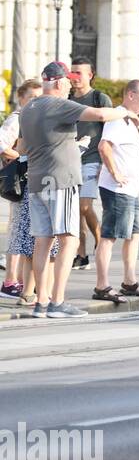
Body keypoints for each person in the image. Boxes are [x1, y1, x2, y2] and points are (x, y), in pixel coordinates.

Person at [18, 61, 137, 317]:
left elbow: (27, 147)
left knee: (42, 241)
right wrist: (125, 111)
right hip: (61, 180)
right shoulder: (58, 104)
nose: (69, 87)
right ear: (59, 83)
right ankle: (57, 302)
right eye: (68, 83)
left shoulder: (29, 108)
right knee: (68, 240)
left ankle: (41, 301)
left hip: (37, 181)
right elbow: (102, 115)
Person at [93, 80, 139, 303]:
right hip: (117, 189)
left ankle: (129, 281)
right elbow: (103, 146)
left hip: (130, 190)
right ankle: (102, 286)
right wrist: (115, 173)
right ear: (130, 95)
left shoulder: (128, 120)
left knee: (134, 234)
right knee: (109, 237)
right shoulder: (118, 118)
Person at [2, 79, 44, 301]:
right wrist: (22, 157)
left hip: (27, 181)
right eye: (32, 99)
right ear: (21, 99)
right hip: (19, 181)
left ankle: (16, 280)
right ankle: (10, 282)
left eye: (39, 99)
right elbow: (1, 144)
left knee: (21, 231)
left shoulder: (31, 119)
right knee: (18, 232)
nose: (35, 103)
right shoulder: (17, 119)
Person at [68, 57, 111, 271]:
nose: (75, 77)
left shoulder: (99, 98)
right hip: (68, 162)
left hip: (93, 159)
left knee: (84, 206)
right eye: (72, 73)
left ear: (90, 75)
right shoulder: (65, 99)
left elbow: (111, 131)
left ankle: (101, 238)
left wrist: (107, 161)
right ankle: (81, 254)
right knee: (75, 210)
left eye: (79, 73)